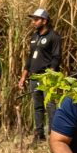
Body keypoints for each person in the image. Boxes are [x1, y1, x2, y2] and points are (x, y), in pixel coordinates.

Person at [20, 9, 65, 142]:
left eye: (36, 19)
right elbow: (30, 59)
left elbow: (56, 57)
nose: (33, 22)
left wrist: (50, 74)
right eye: (33, 19)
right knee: (37, 106)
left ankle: (53, 134)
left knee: (50, 105)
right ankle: (39, 134)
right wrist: (23, 77)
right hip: (34, 77)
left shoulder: (54, 36)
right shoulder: (34, 37)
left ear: (44, 21)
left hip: (47, 77)